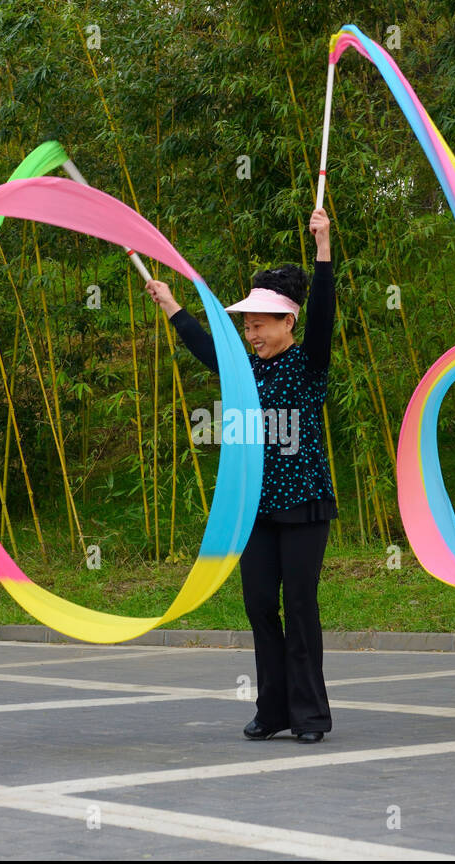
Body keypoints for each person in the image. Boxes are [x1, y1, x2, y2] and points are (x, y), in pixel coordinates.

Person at [145, 208, 338, 744]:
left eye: (258, 324)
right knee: (259, 607)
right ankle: (272, 709)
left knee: (299, 607)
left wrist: (323, 248)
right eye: (246, 325)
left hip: (302, 505)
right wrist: (173, 307)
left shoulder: (308, 363)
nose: (249, 333)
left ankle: (310, 715)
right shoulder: (246, 368)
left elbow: (323, 313)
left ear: (287, 323)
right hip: (255, 507)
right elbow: (209, 350)